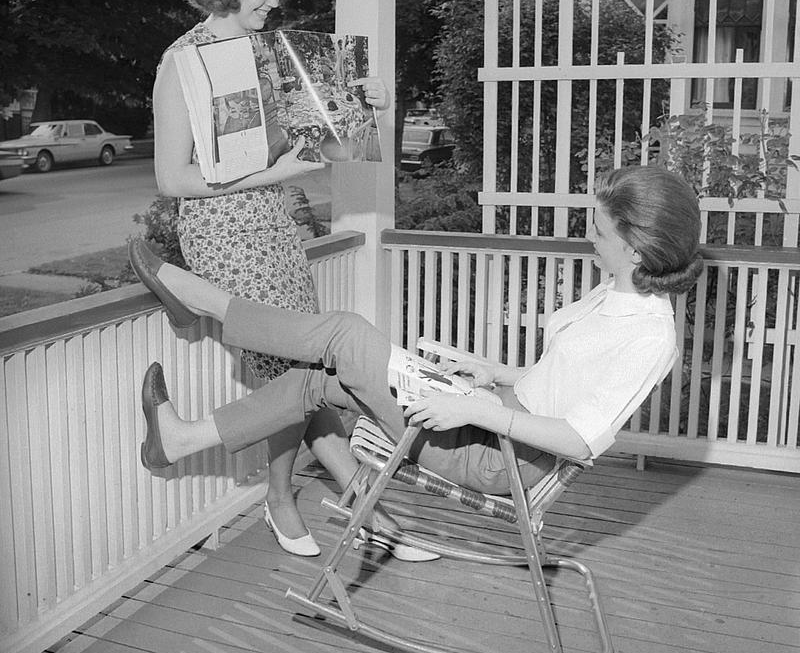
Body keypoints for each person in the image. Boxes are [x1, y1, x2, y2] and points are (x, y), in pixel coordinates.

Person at [130, 166, 704, 500]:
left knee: (345, 335)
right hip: (489, 415)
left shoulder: (649, 336)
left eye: (599, 231)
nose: (589, 238)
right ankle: (179, 440)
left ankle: (200, 299)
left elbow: (580, 439)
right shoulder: (617, 291)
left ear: (634, 247)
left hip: (497, 456)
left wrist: (474, 409)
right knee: (315, 382)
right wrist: (490, 373)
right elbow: (564, 380)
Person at [150, 0, 401, 558]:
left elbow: (333, 144)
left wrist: (370, 104)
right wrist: (275, 172)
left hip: (275, 228)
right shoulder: (183, 63)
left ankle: (360, 505)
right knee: (291, 369)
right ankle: (290, 497)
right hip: (223, 233)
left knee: (302, 368)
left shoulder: (276, 56)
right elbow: (173, 179)